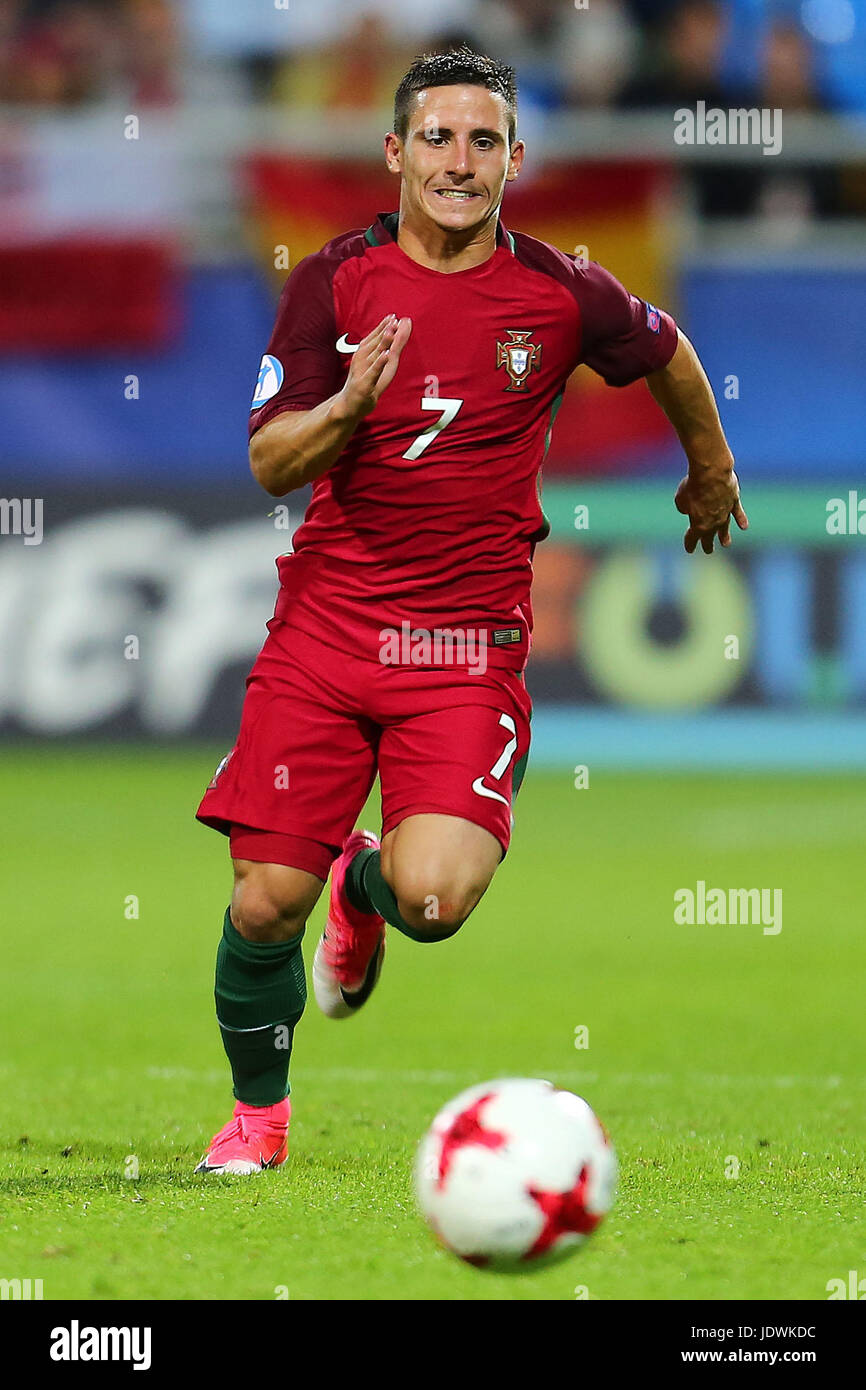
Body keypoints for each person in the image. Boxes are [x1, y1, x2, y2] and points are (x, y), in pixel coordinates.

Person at [194, 46, 747, 1174]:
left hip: (464, 650)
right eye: (437, 138)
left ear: (514, 157)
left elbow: (667, 352)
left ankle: (366, 881)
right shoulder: (332, 283)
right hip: (327, 633)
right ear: (394, 152)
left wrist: (711, 470)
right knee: (261, 906)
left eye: (482, 140)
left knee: (433, 900)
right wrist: (347, 406)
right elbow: (267, 463)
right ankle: (258, 1117)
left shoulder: (556, 290)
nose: (459, 161)